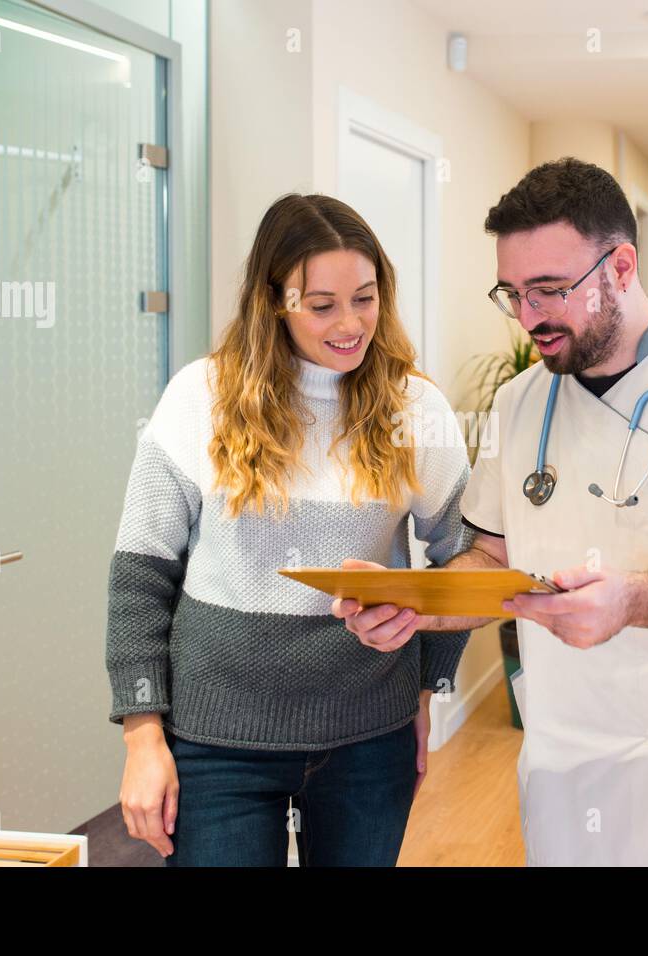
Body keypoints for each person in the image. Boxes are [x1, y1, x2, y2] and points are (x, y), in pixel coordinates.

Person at [334, 157, 648, 866]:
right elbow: (493, 560)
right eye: (511, 292)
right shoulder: (518, 405)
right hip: (578, 759)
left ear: (622, 266)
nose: (528, 315)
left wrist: (631, 600)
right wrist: (417, 605)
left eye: (549, 289)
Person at [105, 193, 474, 866]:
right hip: (218, 748)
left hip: (371, 738)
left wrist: (426, 693)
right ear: (274, 300)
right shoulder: (201, 398)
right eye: (321, 304)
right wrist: (142, 735)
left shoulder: (416, 409)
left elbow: (464, 560)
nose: (351, 324)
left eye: (365, 298)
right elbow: (140, 574)